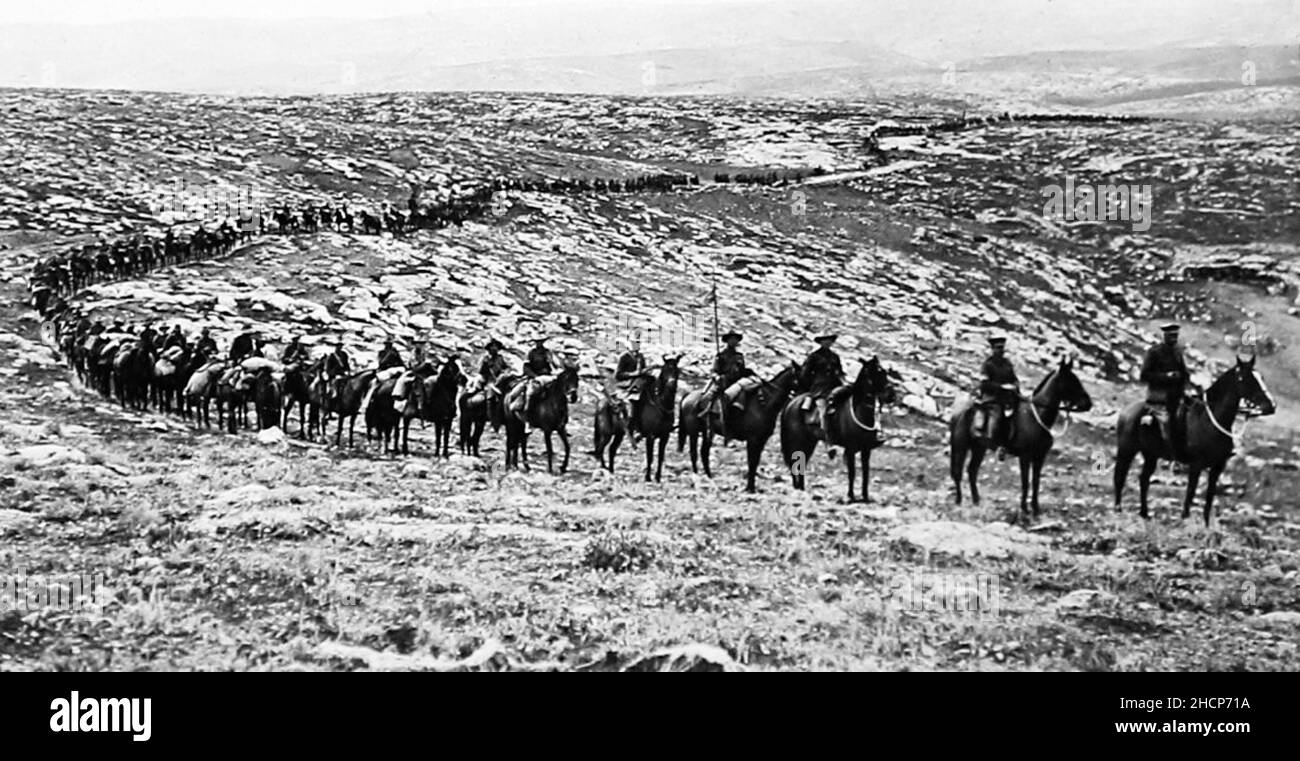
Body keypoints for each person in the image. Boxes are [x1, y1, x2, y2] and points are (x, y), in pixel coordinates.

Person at [1140, 323, 1191, 458]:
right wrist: (1166, 376)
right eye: (1171, 336)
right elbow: (1144, 375)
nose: (1174, 339)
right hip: (1159, 396)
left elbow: (1183, 371)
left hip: (1177, 395)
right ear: (1165, 336)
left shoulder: (1177, 352)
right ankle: (1168, 452)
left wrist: (1185, 379)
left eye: (1176, 336)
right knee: (1167, 422)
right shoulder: (1154, 352)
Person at [974, 334, 1021, 458]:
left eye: (1002, 348)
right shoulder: (987, 365)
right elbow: (984, 384)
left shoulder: (1007, 364)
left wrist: (1015, 386)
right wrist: (1001, 387)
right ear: (993, 349)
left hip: (1008, 398)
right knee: (997, 416)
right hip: (992, 398)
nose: (1000, 351)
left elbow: (1014, 378)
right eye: (998, 348)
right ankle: (998, 445)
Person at [798, 332, 846, 435]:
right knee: (822, 406)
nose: (827, 342)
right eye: (825, 340)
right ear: (821, 342)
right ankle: (824, 431)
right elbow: (805, 373)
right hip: (819, 387)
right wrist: (810, 385)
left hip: (834, 385)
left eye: (829, 340)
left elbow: (840, 371)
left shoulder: (835, 357)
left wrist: (842, 379)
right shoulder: (814, 356)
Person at [512, 335, 556, 418]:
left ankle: (561, 420)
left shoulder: (548, 352)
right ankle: (527, 416)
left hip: (548, 377)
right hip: (535, 377)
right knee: (530, 393)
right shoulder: (531, 353)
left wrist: (554, 370)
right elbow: (526, 366)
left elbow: (553, 365)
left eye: (541, 341)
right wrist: (534, 375)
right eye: (537, 342)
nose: (539, 344)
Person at [614, 333, 648, 439]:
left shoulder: (641, 357)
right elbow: (618, 375)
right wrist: (632, 374)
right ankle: (633, 427)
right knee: (633, 404)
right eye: (634, 343)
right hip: (626, 386)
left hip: (639, 385)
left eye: (638, 343)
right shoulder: (624, 357)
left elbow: (643, 370)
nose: (636, 345)